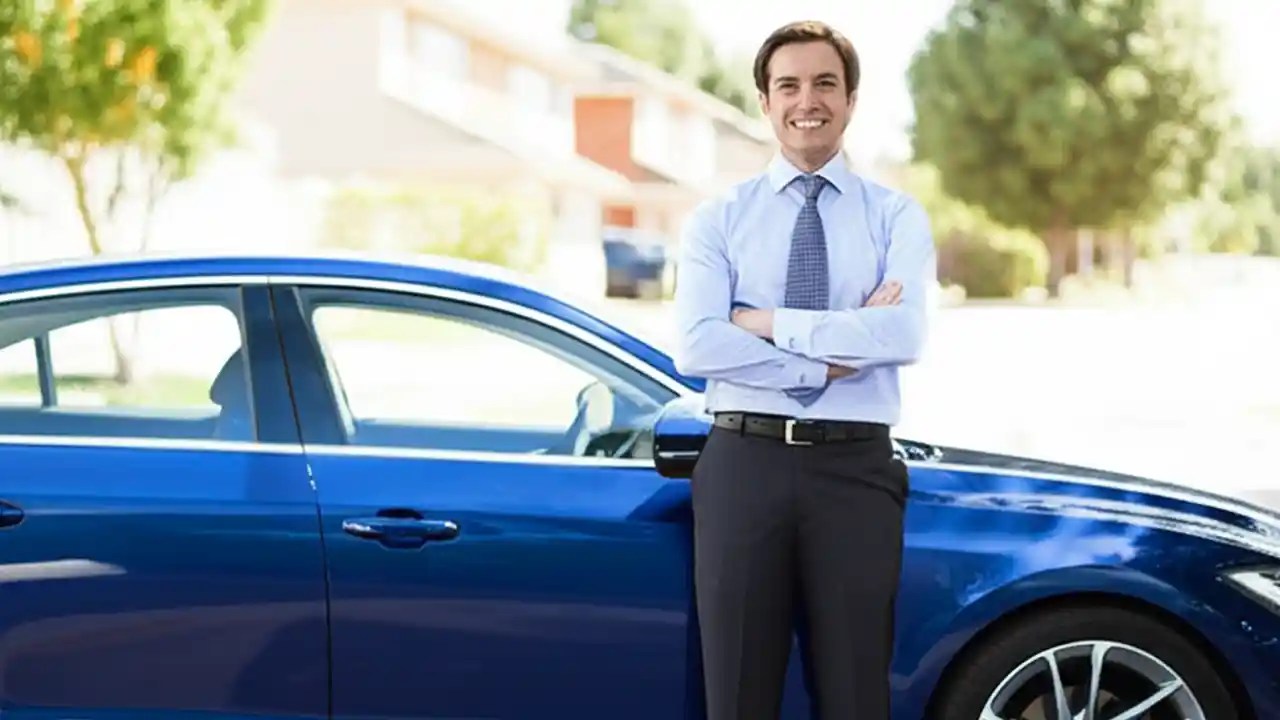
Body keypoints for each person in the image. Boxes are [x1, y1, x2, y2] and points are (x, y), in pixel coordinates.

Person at [672, 19, 937, 720]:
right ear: (765, 102)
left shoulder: (896, 217)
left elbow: (903, 333)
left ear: (851, 100)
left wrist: (764, 321)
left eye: (825, 83)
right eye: (788, 85)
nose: (806, 101)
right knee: (737, 695)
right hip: (743, 465)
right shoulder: (717, 220)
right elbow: (697, 346)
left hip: (856, 472)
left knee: (855, 694)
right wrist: (829, 360)